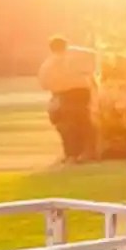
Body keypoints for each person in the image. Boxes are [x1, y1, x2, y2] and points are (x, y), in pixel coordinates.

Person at [38, 36, 96, 164]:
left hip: (63, 94)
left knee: (66, 125)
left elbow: (44, 83)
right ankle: (86, 152)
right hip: (82, 92)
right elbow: (92, 62)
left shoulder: (49, 63)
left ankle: (72, 153)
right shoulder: (78, 56)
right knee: (83, 122)